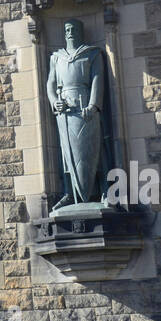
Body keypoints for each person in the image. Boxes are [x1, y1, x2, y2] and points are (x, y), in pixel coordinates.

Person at [46, 17, 105, 207]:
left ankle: (103, 190)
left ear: (80, 31)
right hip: (65, 110)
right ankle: (69, 193)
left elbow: (97, 80)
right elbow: (51, 84)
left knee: (92, 148)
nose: (70, 33)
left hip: (85, 106)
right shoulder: (56, 57)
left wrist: (94, 105)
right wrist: (55, 102)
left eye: (73, 29)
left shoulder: (92, 54)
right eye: (67, 30)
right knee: (66, 151)